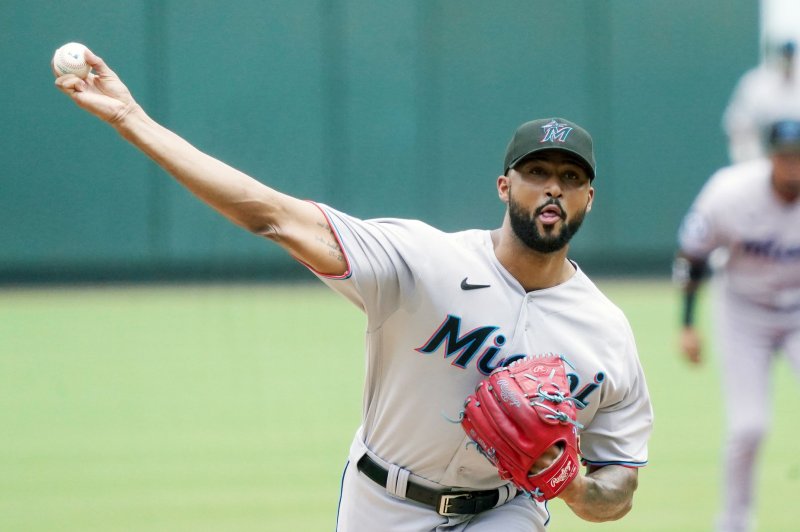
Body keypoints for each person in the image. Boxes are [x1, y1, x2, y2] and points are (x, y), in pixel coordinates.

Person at [54, 46, 653, 532]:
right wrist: (132, 121)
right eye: (537, 172)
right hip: (383, 501)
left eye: (570, 177)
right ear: (504, 185)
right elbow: (272, 215)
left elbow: (619, 486)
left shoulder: (605, 333)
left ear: (589, 198)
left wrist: (574, 486)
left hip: (505, 511)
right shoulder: (424, 261)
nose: (553, 188)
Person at [675, 119, 800, 532]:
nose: (793, 164)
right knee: (748, 427)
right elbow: (692, 254)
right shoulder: (730, 192)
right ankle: (733, 524)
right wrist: (687, 324)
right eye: (785, 155)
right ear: (770, 157)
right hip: (744, 312)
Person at [722, 40, 800, 164]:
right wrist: (752, 163)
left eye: (791, 55)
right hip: (761, 158)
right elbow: (739, 128)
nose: (788, 60)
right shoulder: (755, 84)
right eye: (785, 55)